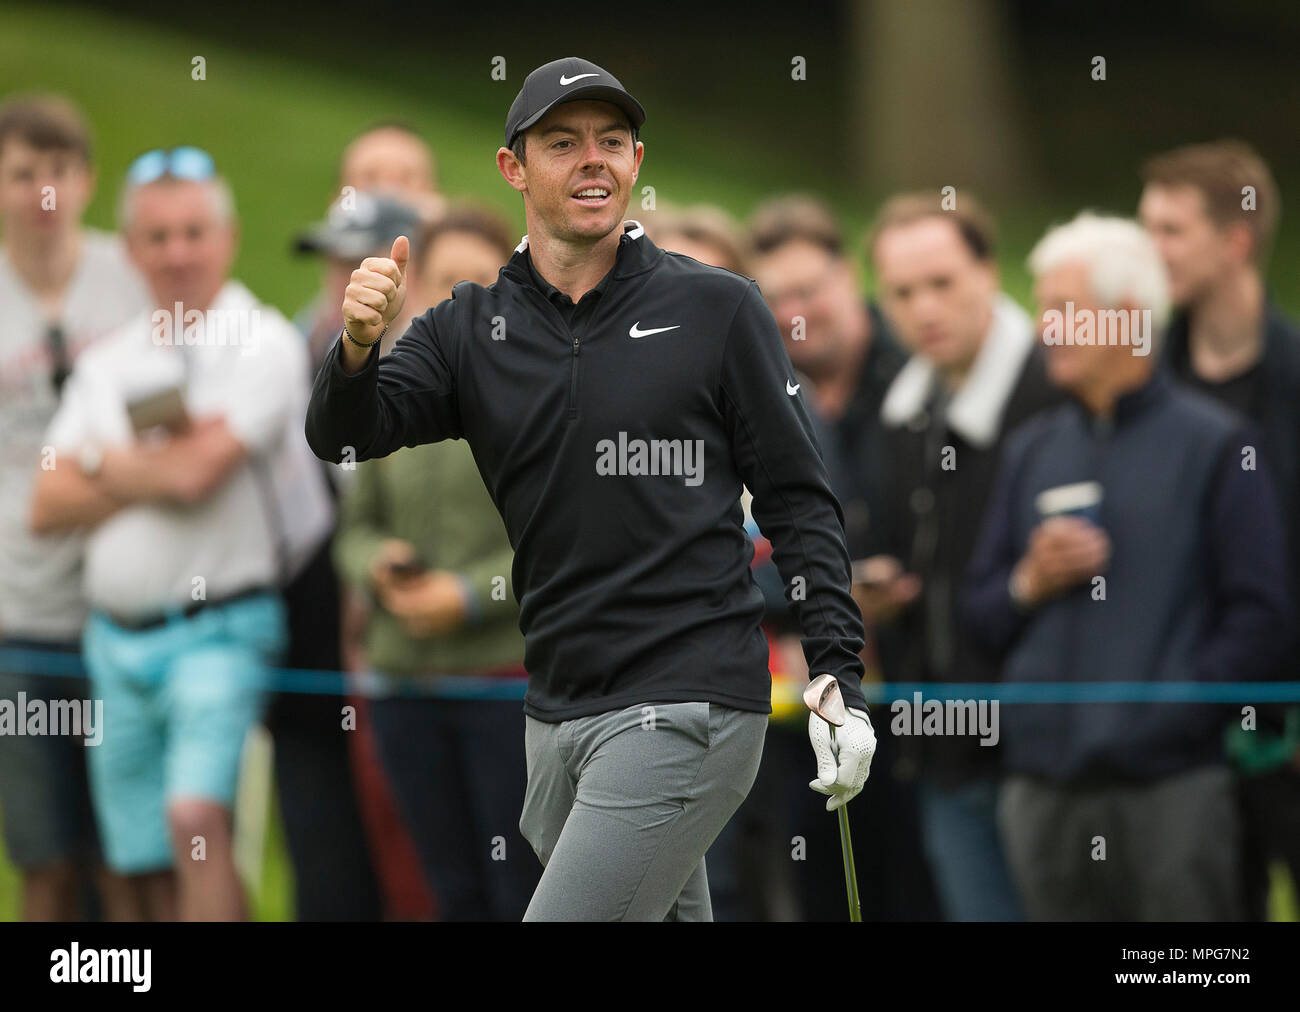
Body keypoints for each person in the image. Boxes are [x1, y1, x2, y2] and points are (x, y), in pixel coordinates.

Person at [306, 56, 875, 921]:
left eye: (612, 142)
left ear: (636, 163)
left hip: (690, 700)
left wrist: (839, 673)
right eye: (563, 143)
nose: (593, 161)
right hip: (558, 711)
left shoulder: (718, 309)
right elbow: (345, 434)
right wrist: (355, 347)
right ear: (514, 168)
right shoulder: (469, 326)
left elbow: (799, 498)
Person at [963, 212, 1293, 920]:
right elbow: (981, 608)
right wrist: (1030, 582)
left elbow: (1261, 617)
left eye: (1063, 310)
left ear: (1128, 319)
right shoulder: (1030, 450)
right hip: (1040, 788)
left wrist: (1166, 717)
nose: (1044, 329)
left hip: (1171, 792)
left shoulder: (1218, 445)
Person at [29, 147, 306, 920]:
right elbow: (45, 503)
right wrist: (128, 457)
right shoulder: (110, 359)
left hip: (217, 628)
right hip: (114, 641)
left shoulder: (264, 340)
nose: (176, 252)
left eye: (192, 232)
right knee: (138, 861)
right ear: (132, 249)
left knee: (194, 823)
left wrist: (101, 462)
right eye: (157, 237)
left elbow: (195, 479)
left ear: (227, 237)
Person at [335, 204, 539, 920]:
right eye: (444, 280)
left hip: (502, 680)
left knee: (516, 889)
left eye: (476, 283)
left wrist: (468, 594)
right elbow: (352, 532)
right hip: (403, 683)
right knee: (440, 890)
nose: (460, 300)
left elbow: (568, 547)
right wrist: (377, 564)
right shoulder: (398, 388)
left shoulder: (542, 399)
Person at [864, 192, 1059, 921]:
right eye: (903, 291)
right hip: (942, 740)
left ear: (989, 271)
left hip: (1049, 746)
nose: (923, 308)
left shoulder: (1055, 391)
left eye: (941, 283)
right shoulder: (905, 412)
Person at [748, 194, 939, 922]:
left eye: (812, 287)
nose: (799, 310)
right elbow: (731, 553)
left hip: (927, 698)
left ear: (849, 274)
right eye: (780, 294)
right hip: (806, 705)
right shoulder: (757, 395)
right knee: (822, 893)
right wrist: (818, 603)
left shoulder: (921, 375)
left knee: (923, 893)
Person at [1138, 139, 1300, 920]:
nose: (1150, 250)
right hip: (1184, 733)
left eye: (1171, 230)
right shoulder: (1144, 383)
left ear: (1236, 238)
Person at [0, 95, 147, 921]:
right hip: (22, 618)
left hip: (124, 609)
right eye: (22, 174)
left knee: (127, 856)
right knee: (44, 855)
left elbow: (170, 424)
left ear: (85, 180)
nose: (42, 193)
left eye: (57, 171)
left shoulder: (127, 279)